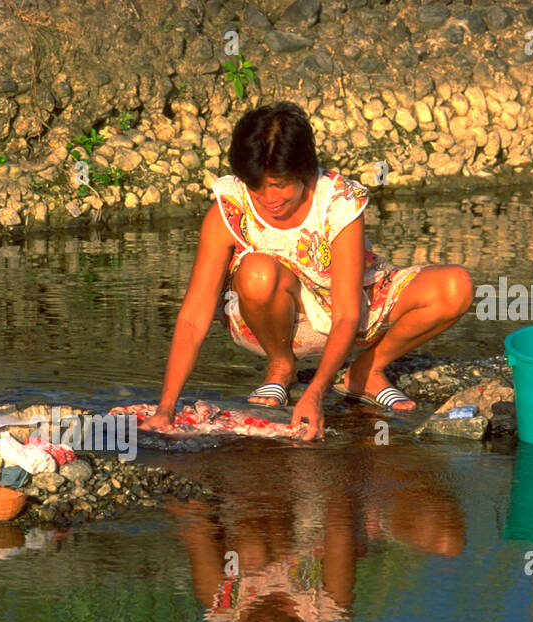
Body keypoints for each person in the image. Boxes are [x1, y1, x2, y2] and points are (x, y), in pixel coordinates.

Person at [143, 102, 475, 441]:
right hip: (273, 319)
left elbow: (347, 314)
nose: (269, 198)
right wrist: (166, 408)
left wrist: (317, 392)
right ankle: (281, 365)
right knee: (256, 269)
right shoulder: (230, 208)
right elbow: (193, 317)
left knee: (456, 286)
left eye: (280, 185)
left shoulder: (337, 201)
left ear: (304, 171)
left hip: (351, 312)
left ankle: (366, 371)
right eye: (258, 186)